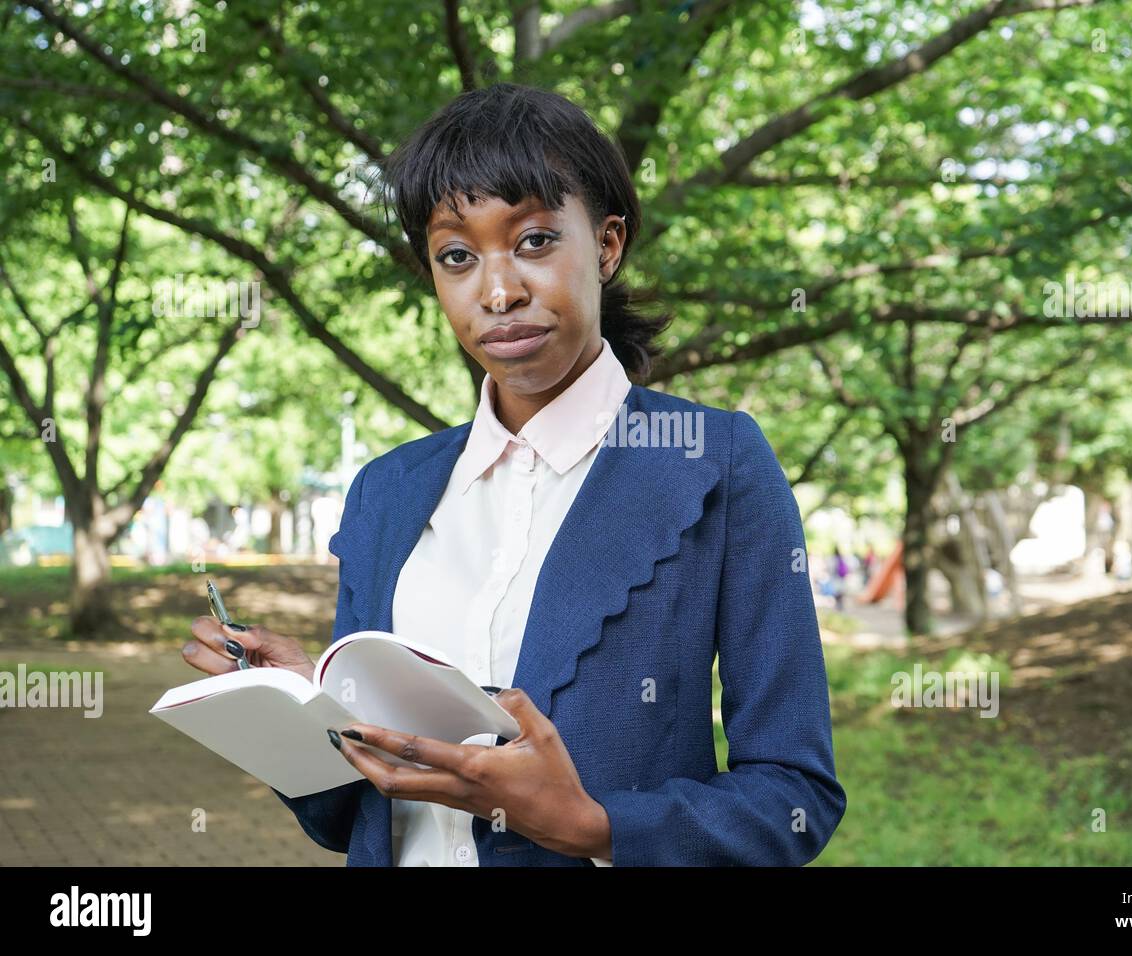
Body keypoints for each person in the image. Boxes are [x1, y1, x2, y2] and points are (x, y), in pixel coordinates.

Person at [181, 83, 845, 867]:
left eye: (533, 241)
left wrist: (594, 826)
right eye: (457, 256)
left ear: (606, 244)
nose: (498, 291)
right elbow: (345, 820)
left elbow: (795, 797)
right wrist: (305, 707)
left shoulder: (715, 465)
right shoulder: (386, 493)